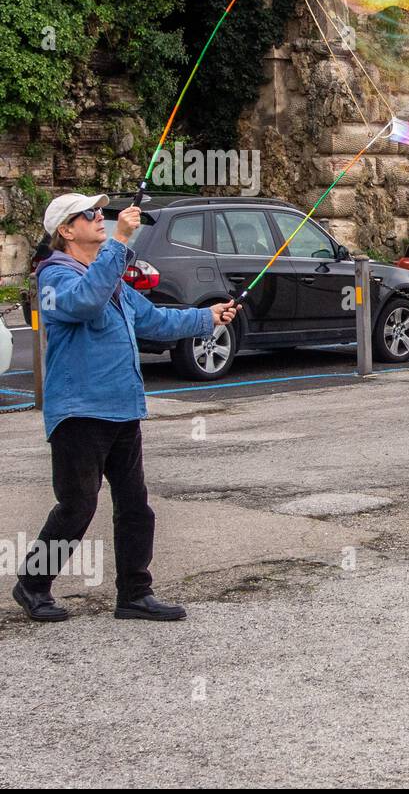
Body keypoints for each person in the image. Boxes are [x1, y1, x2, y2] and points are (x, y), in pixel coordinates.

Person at [11, 194, 241, 622]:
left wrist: (207, 317)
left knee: (135, 504)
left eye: (101, 212)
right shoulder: (54, 278)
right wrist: (119, 240)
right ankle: (32, 584)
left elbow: (154, 319)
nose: (100, 217)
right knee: (77, 505)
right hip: (79, 412)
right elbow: (84, 302)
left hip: (122, 408)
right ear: (65, 230)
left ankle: (135, 593)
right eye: (89, 214)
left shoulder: (110, 277)